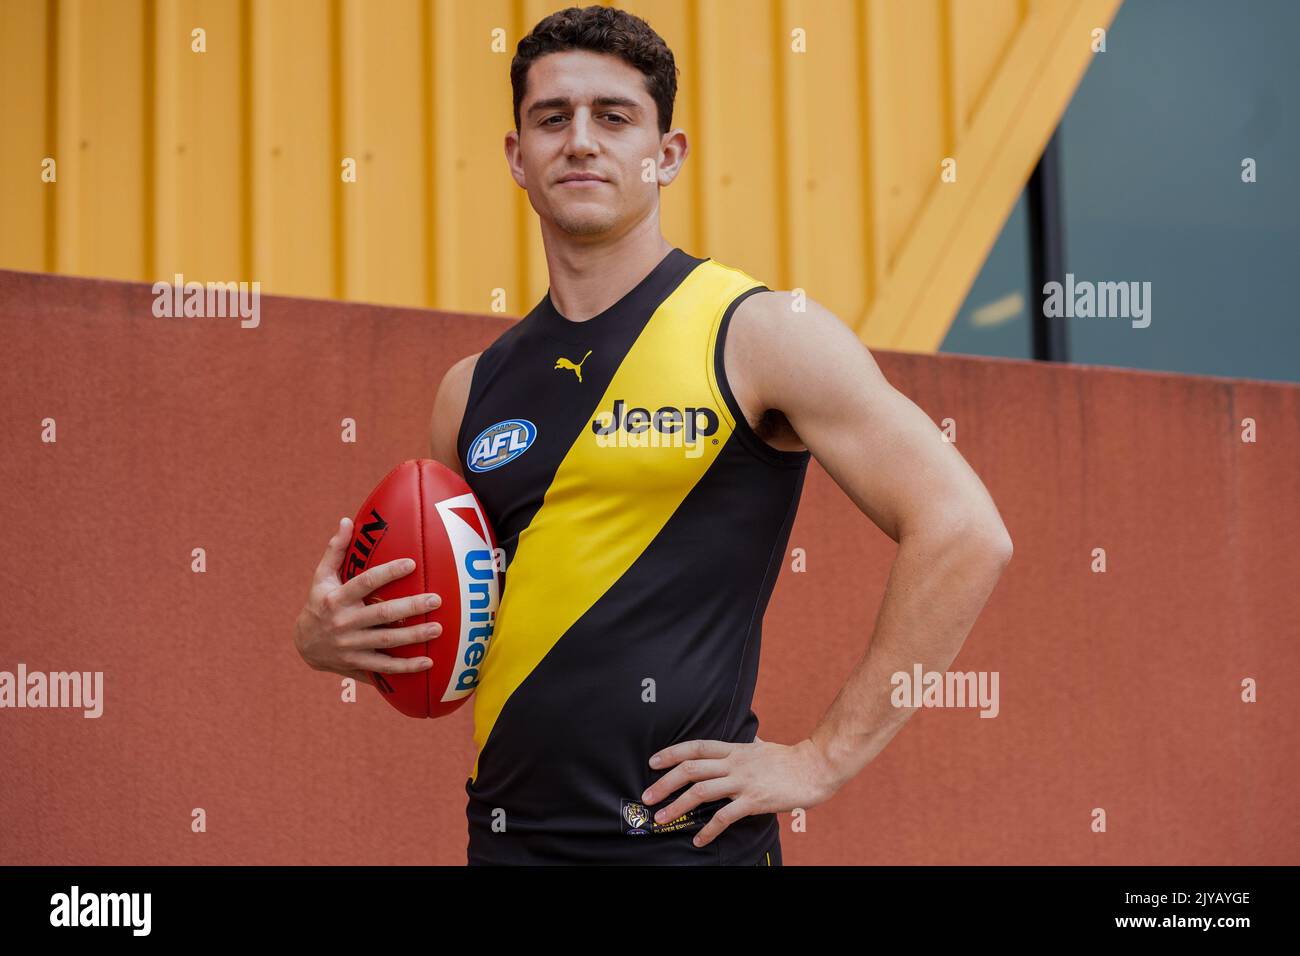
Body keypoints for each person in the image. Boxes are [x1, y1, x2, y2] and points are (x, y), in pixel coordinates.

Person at [294, 5, 1012, 865]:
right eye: (552, 118)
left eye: (615, 116)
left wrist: (823, 759)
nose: (582, 140)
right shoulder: (472, 389)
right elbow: (467, 628)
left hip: (687, 845)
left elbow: (966, 531)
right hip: (509, 842)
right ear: (518, 157)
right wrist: (336, 643)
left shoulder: (757, 334)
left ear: (665, 154)